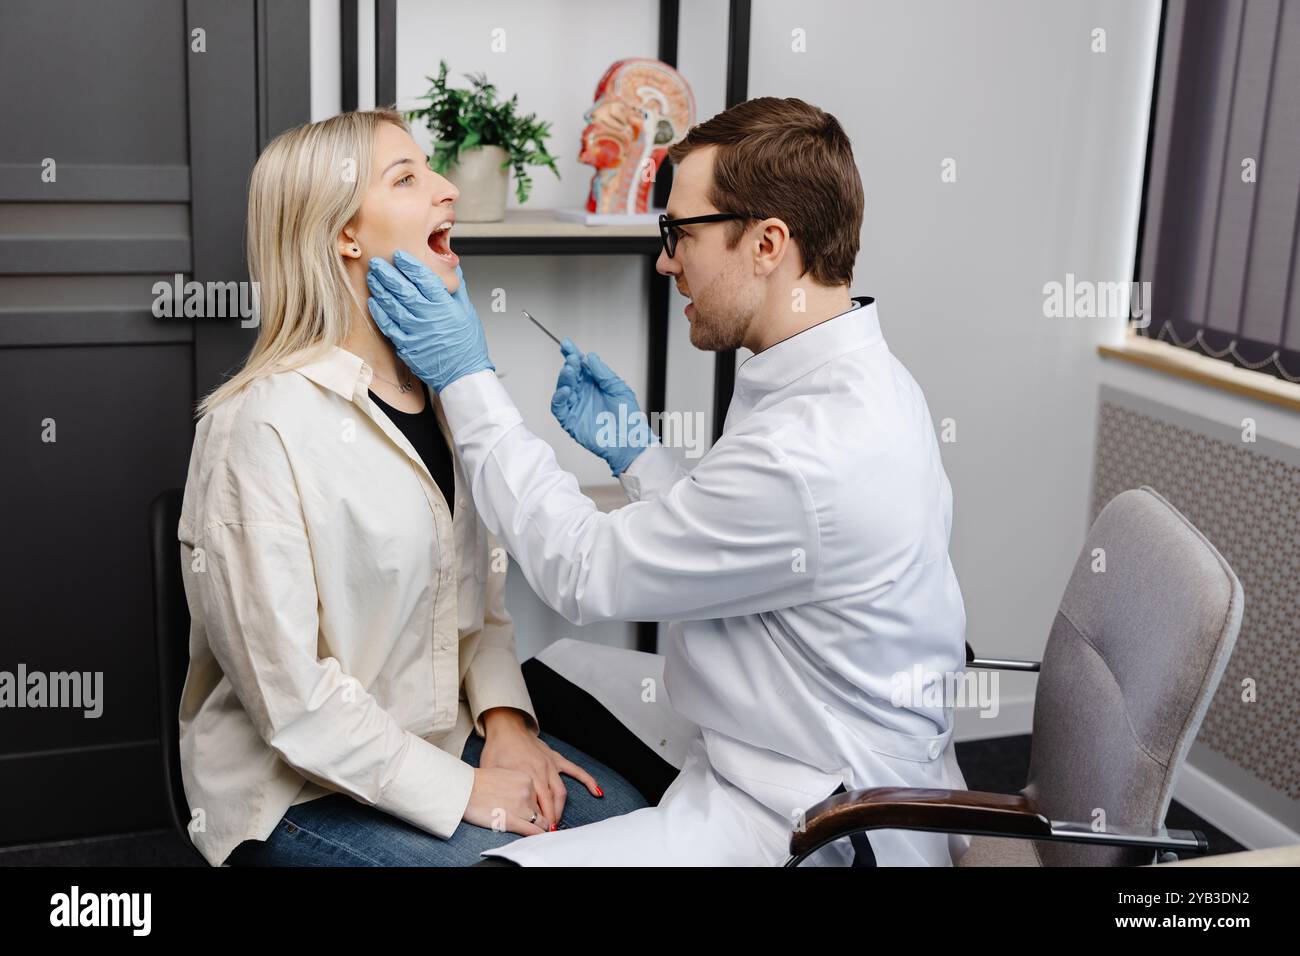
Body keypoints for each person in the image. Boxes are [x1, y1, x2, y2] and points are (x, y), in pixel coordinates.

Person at [367, 97, 973, 866]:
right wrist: (635, 452)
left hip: (811, 815)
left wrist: (465, 377)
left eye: (679, 233)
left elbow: (582, 571)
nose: (664, 260)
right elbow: (734, 535)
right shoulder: (849, 378)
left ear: (767, 243)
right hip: (790, 728)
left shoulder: (815, 449)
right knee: (551, 674)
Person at [176, 108, 654, 868]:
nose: (446, 190)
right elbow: (291, 699)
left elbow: (480, 609)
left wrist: (507, 726)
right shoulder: (257, 426)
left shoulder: (443, 396)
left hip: (447, 735)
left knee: (647, 841)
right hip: (299, 790)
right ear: (344, 235)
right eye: (407, 178)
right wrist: (465, 794)